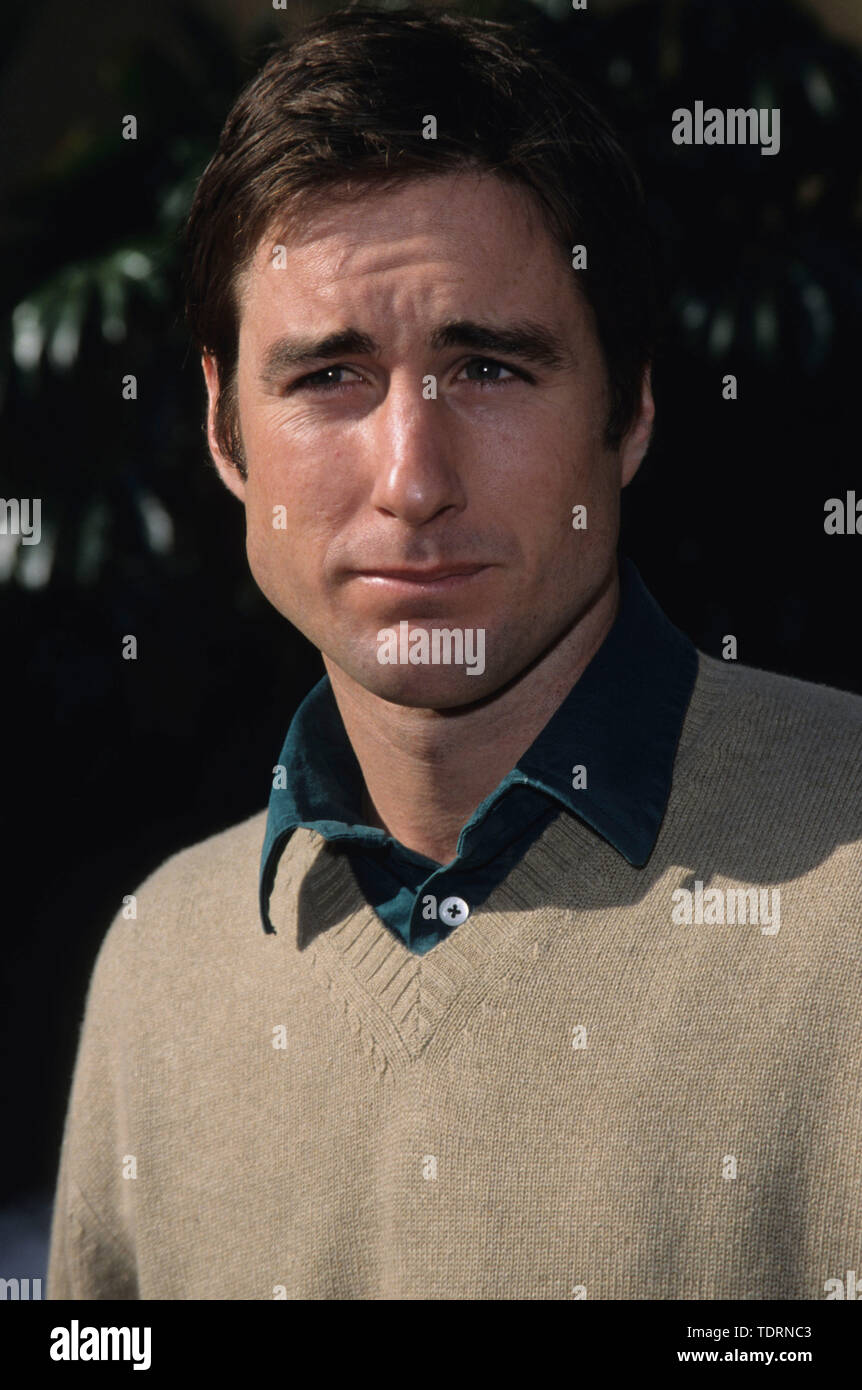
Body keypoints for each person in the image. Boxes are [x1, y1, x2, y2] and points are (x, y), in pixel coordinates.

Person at [47, 5, 861, 1300]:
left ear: (631, 406)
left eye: (486, 366)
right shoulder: (161, 964)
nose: (412, 478)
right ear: (219, 426)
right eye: (327, 377)